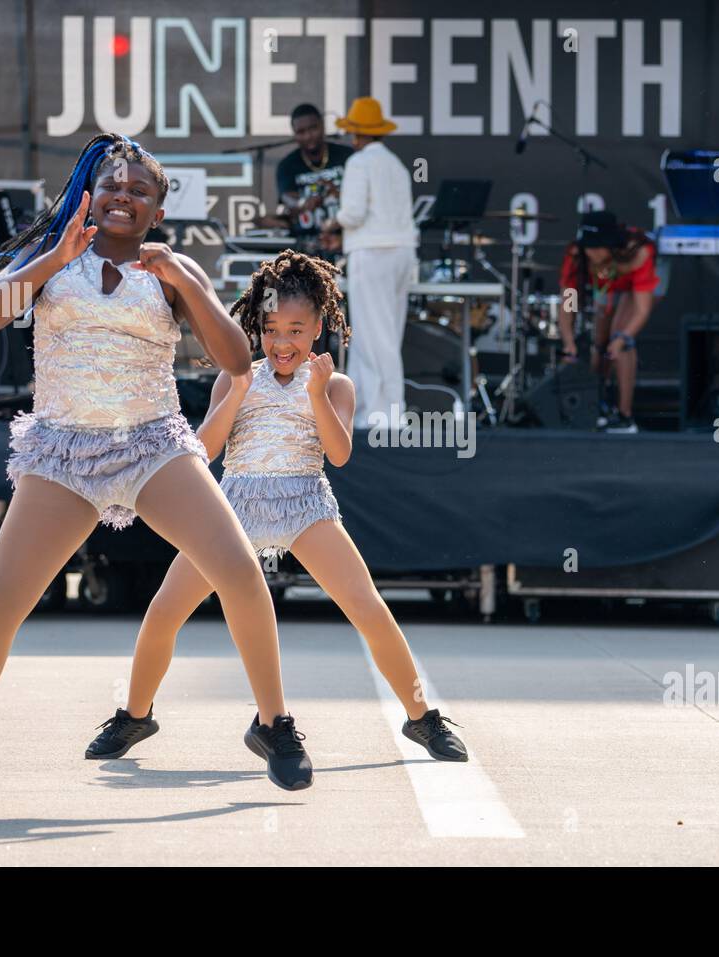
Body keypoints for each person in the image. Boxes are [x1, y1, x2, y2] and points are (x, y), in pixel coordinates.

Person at [0, 133, 313, 804]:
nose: (125, 196)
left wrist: (182, 278)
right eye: (115, 186)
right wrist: (50, 261)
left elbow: (238, 360)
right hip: (64, 452)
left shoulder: (172, 270)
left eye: (139, 191)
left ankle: (274, 723)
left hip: (153, 447)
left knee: (238, 571)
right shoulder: (57, 259)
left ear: (157, 208)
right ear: (93, 193)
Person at [86, 250, 467, 766]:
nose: (282, 343)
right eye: (271, 330)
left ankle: (422, 718)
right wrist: (238, 388)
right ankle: (135, 715)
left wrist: (315, 396)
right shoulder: (235, 376)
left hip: (305, 503)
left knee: (368, 607)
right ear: (257, 329)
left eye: (295, 331)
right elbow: (205, 450)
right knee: (163, 612)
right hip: (236, 504)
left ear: (317, 331)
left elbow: (338, 454)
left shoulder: (334, 384)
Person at [320, 96, 420, 429]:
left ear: (356, 135)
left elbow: (353, 213)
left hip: (373, 254)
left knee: (373, 336)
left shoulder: (359, 163)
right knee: (385, 333)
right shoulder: (397, 165)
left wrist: (331, 225)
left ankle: (387, 415)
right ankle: (370, 412)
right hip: (402, 252)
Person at [557, 210, 658, 433]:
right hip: (610, 284)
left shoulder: (638, 253)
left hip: (640, 285)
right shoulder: (578, 256)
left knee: (619, 338)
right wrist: (568, 342)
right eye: (588, 246)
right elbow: (568, 304)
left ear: (611, 245)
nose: (590, 252)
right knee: (599, 343)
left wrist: (622, 339)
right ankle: (597, 404)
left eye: (596, 246)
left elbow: (641, 310)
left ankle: (625, 416)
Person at [275, 103, 354, 256]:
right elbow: (286, 196)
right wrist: (304, 202)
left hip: (345, 238)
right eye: (301, 132)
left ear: (323, 126)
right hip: (308, 243)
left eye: (313, 128)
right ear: (294, 134)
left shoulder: (346, 156)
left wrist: (336, 192)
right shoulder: (287, 165)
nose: (308, 136)